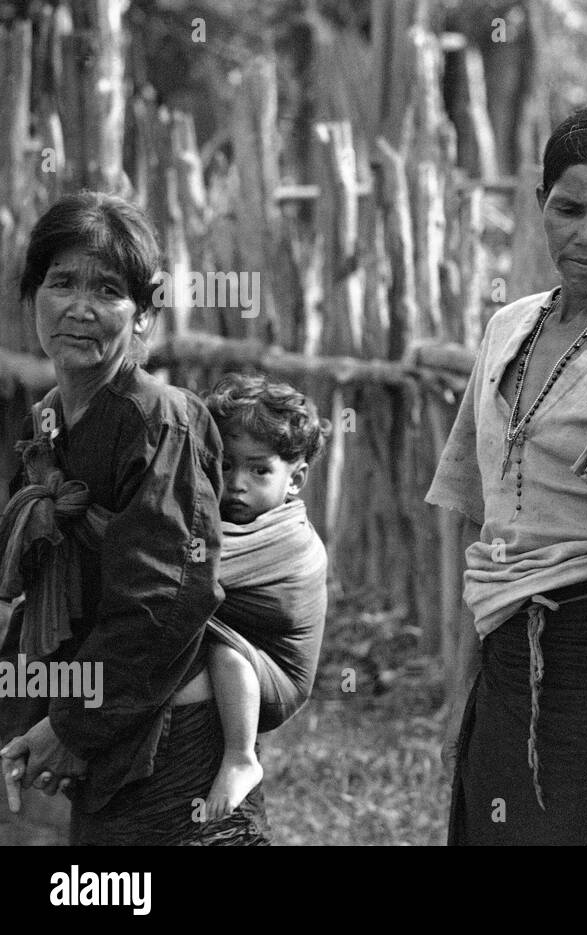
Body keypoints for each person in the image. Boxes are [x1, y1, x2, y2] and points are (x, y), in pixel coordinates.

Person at [426, 103, 587, 845]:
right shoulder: (506, 327)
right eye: (567, 207)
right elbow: (479, 521)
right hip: (504, 648)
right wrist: (462, 684)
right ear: (538, 202)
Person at [0, 191, 268, 845]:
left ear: (144, 313)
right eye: (61, 282)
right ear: (33, 293)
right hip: (82, 716)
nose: (80, 307)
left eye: (109, 290)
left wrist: (72, 727)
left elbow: (167, 596)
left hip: (162, 739)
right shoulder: (47, 421)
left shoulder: (161, 420)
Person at [179, 373, 330, 820]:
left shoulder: (284, 538)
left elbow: (188, 570)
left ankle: (241, 756)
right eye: (226, 466)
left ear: (296, 478)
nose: (238, 483)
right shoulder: (236, 521)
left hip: (275, 680)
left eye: (259, 470)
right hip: (248, 662)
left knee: (223, 654)